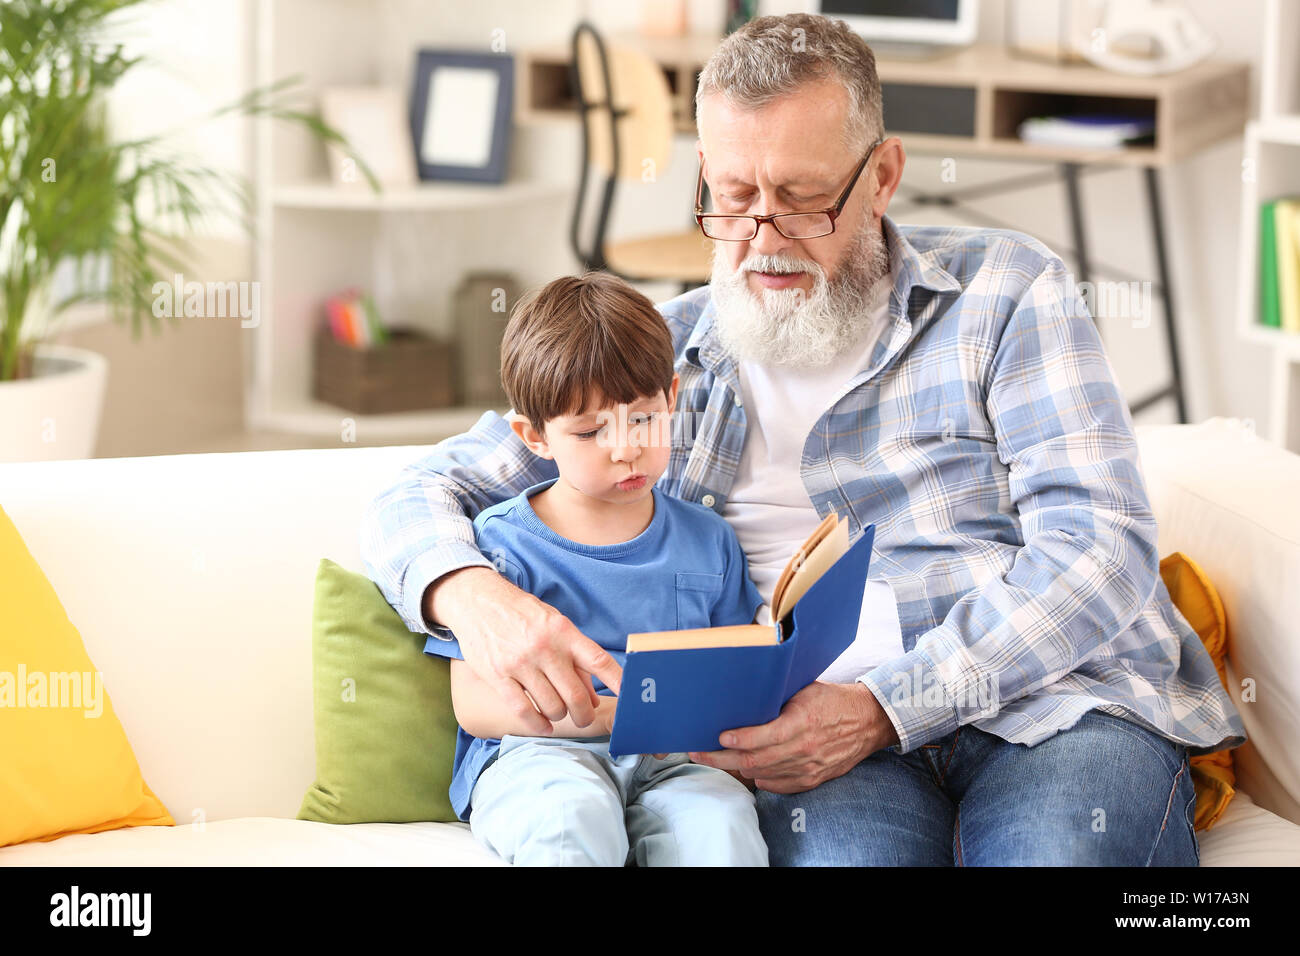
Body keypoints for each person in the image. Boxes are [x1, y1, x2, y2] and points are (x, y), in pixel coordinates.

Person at [362, 13, 1245, 866]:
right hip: (809, 748)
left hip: (1055, 704)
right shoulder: (660, 360)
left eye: (805, 200)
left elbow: (1101, 550)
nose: (762, 239)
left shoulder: (1007, 294)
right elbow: (419, 492)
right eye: (735, 197)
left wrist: (883, 708)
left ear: (884, 174)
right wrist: (469, 594)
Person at [423, 271, 768, 866]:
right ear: (535, 437)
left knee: (722, 825)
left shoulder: (708, 539)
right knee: (571, 819)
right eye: (590, 431)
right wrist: (616, 715)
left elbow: (735, 668)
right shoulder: (503, 543)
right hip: (539, 756)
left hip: (673, 763)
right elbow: (476, 707)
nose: (625, 447)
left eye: (643, 418)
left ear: (673, 397)